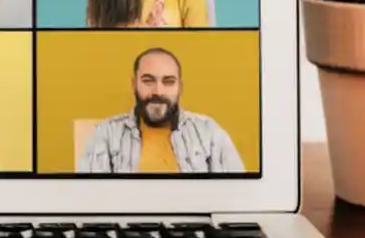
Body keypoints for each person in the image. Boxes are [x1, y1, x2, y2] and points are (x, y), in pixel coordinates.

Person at [77, 47, 244, 174]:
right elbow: (89, 199)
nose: (158, 91)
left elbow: (237, 195)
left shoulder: (209, 131)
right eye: (148, 81)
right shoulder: (104, 134)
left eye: (169, 81)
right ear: (134, 85)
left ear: (180, 88)